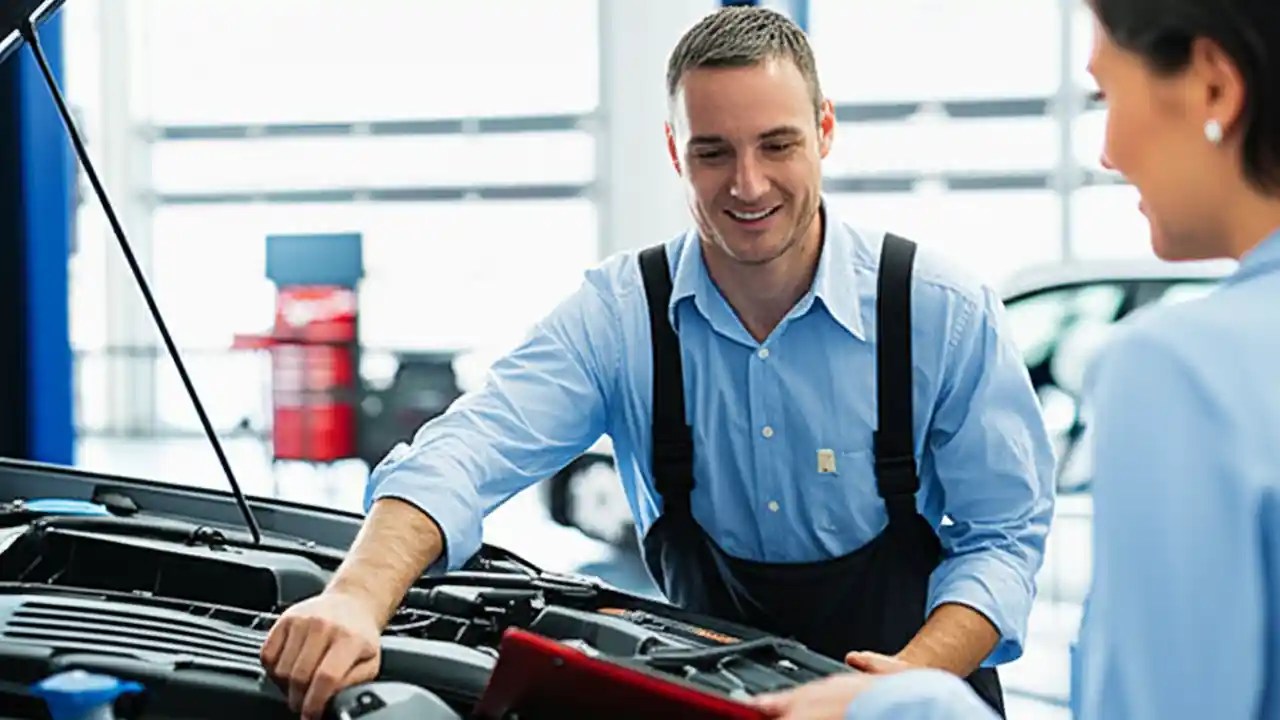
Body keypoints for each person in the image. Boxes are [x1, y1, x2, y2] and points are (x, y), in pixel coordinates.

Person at [257, 6, 1057, 719]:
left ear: (826, 131)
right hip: (716, 697)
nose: (748, 185)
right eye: (714, 153)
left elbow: (1004, 536)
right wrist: (357, 597)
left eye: (777, 144)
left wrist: (901, 689)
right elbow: (468, 449)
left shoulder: (936, 310)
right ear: (676, 151)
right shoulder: (621, 315)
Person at [744, 0, 1280, 718]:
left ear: (1213, 87)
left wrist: (903, 708)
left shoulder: (1180, 372)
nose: (1108, 151)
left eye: (1106, 95)